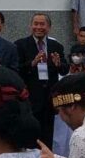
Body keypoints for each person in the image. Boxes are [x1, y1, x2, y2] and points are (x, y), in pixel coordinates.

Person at [15, 14, 68, 146]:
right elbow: (16, 69)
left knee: (48, 136)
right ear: (31, 26)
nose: (39, 27)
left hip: (49, 98)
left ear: (49, 27)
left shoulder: (56, 45)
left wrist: (58, 64)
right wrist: (32, 64)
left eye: (42, 24)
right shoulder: (20, 45)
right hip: (30, 97)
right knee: (30, 137)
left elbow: (65, 69)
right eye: (36, 24)